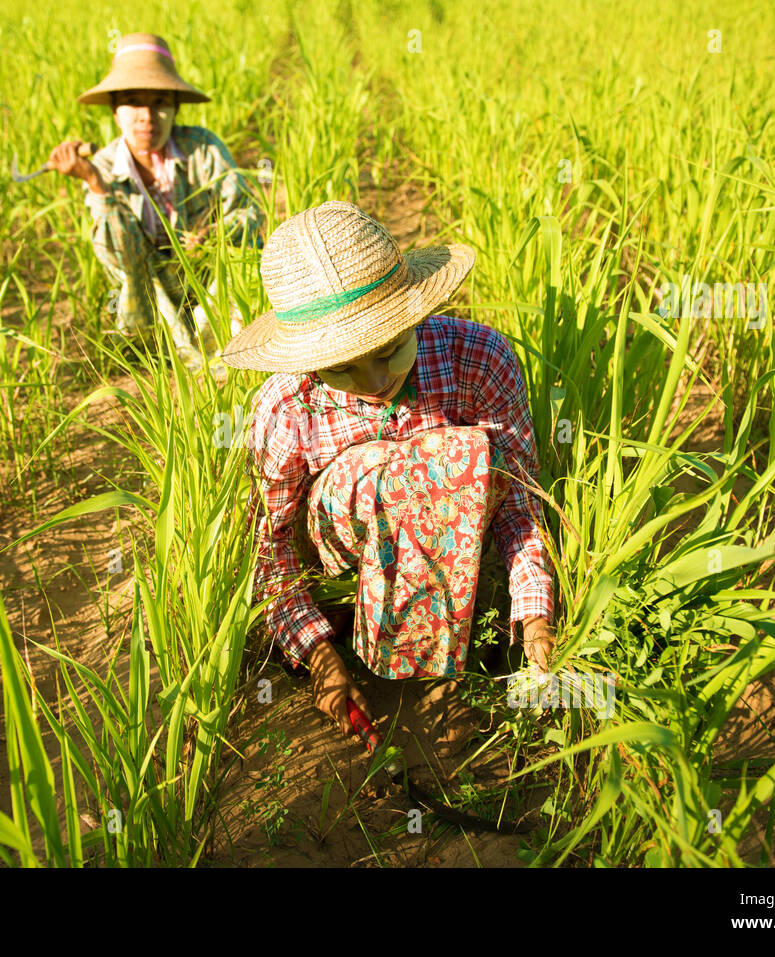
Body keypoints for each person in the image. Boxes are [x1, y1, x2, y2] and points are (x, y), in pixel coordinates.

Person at [218, 201, 557, 736]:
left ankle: (442, 654)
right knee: (402, 468)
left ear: (413, 316)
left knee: (449, 456)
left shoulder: (481, 359)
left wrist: (536, 617)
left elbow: (519, 501)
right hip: (342, 543)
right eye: (343, 368)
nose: (375, 381)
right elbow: (272, 542)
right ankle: (403, 663)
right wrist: (320, 660)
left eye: (390, 350)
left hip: (460, 525)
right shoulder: (286, 407)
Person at [45, 33, 262, 371]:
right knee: (154, 345)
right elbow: (120, 259)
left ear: (175, 108)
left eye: (160, 102)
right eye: (133, 102)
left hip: (210, 283)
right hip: (150, 296)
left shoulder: (202, 149)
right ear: (116, 112)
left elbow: (249, 213)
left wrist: (215, 234)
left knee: (243, 275)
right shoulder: (102, 168)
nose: (147, 116)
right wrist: (95, 184)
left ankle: (228, 346)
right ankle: (167, 347)